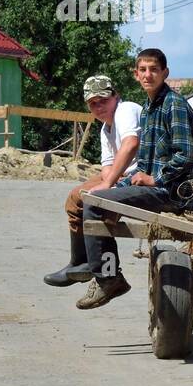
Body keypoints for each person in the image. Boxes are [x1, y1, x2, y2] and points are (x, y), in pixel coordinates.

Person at [77, 48, 193, 310]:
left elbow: (186, 155)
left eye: (154, 69)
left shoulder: (174, 105)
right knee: (95, 199)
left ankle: (108, 279)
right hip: (156, 187)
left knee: (95, 203)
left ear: (165, 72)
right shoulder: (147, 109)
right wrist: (120, 185)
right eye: (143, 70)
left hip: (173, 192)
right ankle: (100, 269)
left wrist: (155, 179)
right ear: (135, 74)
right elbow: (142, 163)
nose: (148, 74)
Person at [43, 75, 141, 287]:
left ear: (116, 96)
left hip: (140, 175)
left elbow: (131, 144)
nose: (98, 107)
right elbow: (107, 166)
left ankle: (109, 274)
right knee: (74, 199)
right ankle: (79, 262)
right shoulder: (106, 128)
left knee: (96, 203)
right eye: (93, 103)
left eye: (103, 100)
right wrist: (109, 180)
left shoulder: (126, 111)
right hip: (121, 174)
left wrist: (108, 186)